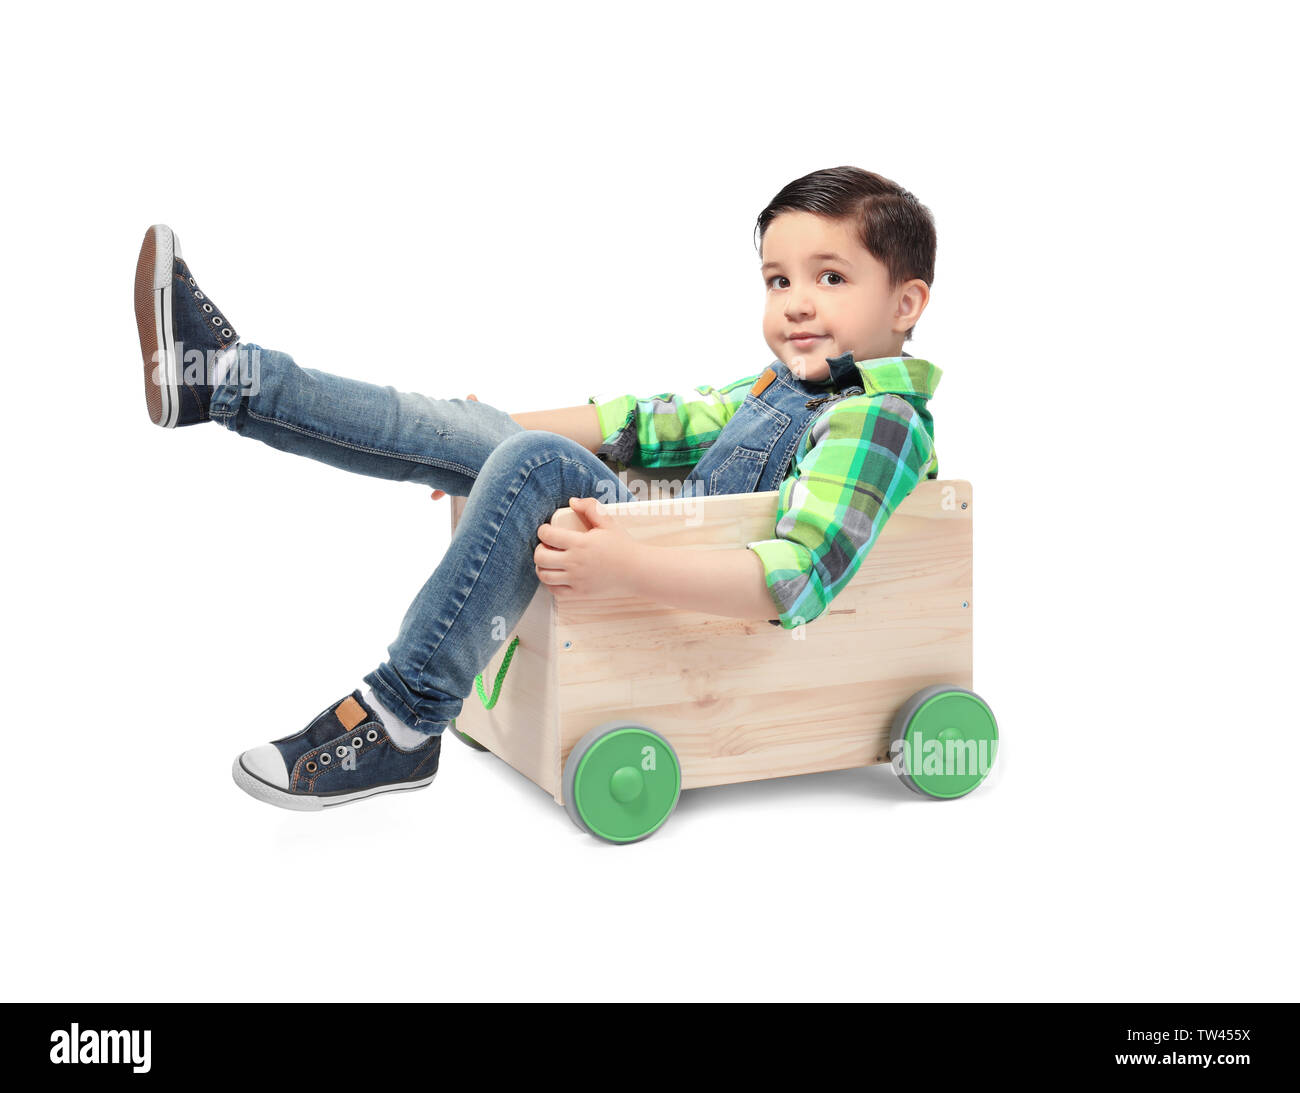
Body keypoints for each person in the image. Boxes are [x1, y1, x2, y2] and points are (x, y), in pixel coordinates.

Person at [132, 165, 943, 812]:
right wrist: (480, 430)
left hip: (666, 576)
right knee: (501, 439)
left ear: (904, 302)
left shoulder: (879, 421)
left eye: (830, 278)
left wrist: (625, 565)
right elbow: (647, 422)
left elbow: (794, 577)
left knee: (542, 462)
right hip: (645, 539)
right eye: (777, 280)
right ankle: (227, 383)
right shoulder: (783, 385)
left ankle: (404, 717)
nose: (796, 303)